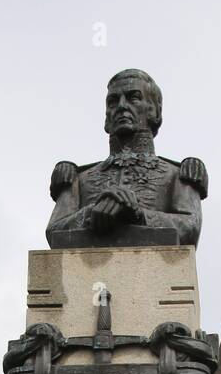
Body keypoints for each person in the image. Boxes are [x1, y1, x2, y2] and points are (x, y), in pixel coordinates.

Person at [46, 69, 208, 248]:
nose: (122, 106)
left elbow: (190, 228)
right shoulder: (78, 178)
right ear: (106, 118)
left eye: (133, 98)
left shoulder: (178, 174)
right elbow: (54, 232)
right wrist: (91, 213)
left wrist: (138, 215)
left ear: (155, 110)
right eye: (113, 101)